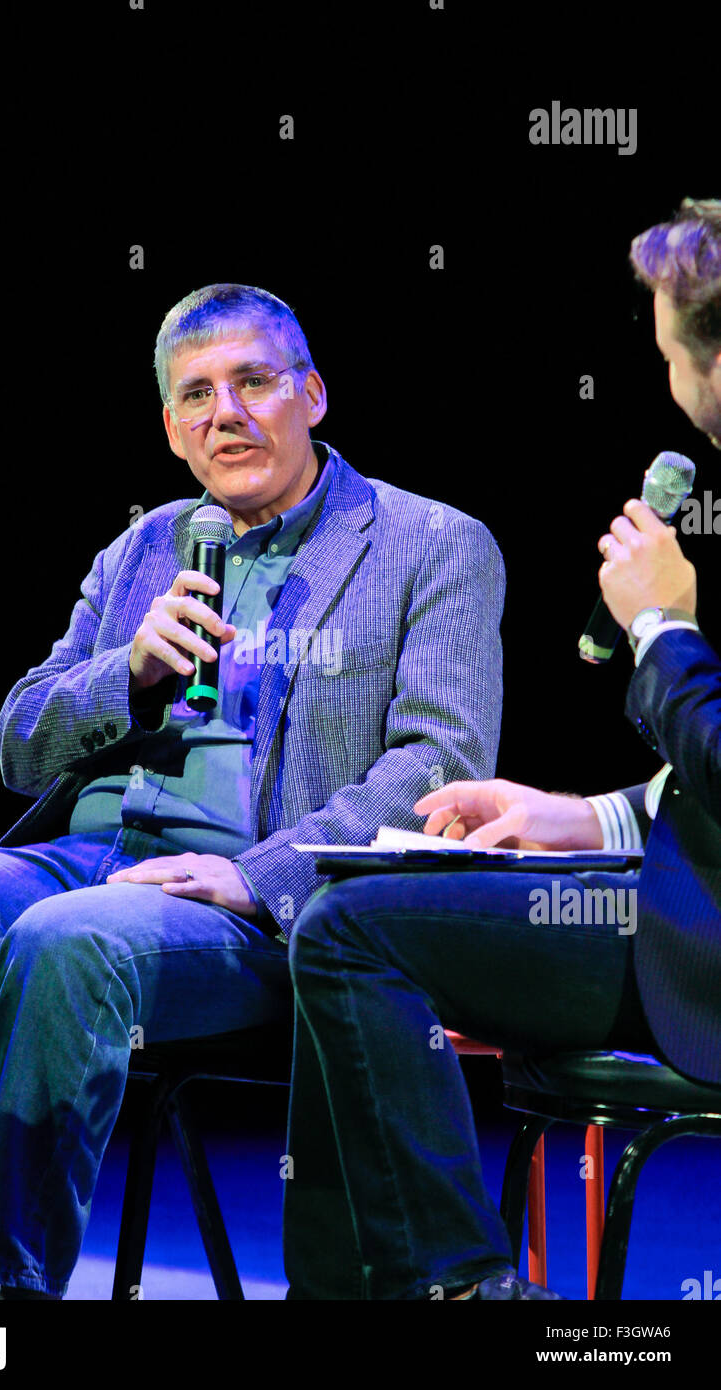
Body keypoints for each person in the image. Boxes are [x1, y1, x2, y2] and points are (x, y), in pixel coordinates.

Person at [0, 283, 505, 1299]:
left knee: (69, 938)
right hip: (77, 857)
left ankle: (6, 1291)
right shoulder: (144, 547)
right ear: (170, 427)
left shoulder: (431, 545)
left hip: (258, 909)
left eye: (253, 381)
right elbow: (17, 742)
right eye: (195, 395)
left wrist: (257, 874)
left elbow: (438, 767)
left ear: (313, 394)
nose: (225, 414)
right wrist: (130, 673)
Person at [282, 197, 721, 1301]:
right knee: (353, 907)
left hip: (701, 942)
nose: (667, 377)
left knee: (347, 934)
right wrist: (589, 816)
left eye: (668, 348)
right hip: (679, 889)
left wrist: (661, 630)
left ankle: (465, 1291)